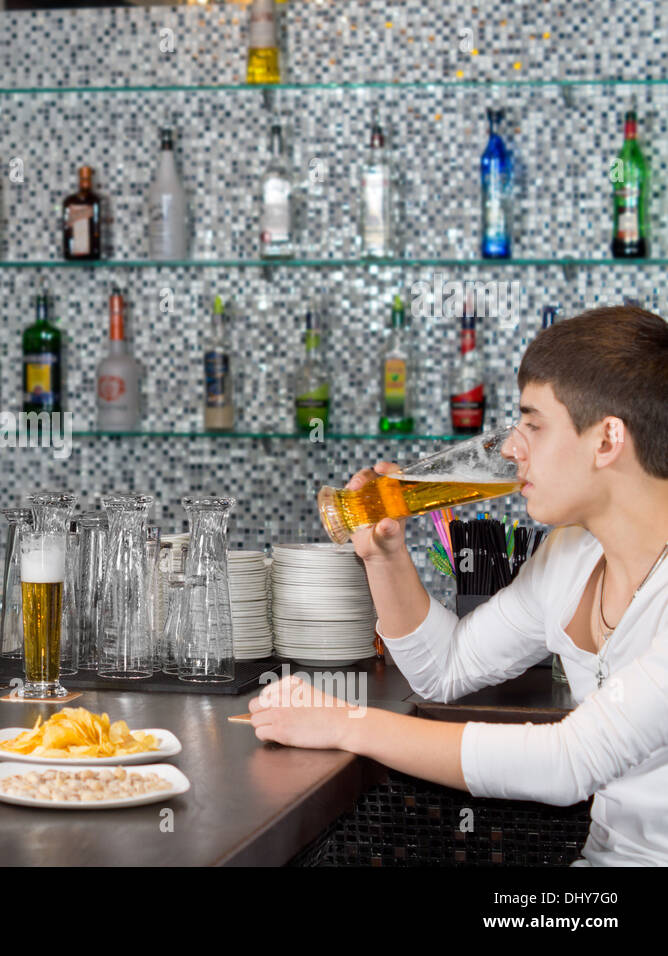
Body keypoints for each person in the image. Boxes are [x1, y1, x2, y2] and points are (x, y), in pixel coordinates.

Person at [250, 305, 668, 866]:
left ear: (607, 439)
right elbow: (444, 669)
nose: (512, 449)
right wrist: (386, 556)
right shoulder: (570, 555)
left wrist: (342, 723)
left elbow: (568, 761)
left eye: (535, 425)